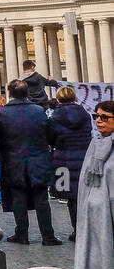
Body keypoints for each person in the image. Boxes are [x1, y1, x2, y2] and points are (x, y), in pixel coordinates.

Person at [0, 79, 63, 246]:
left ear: (9, 93)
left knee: (18, 198)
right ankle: (48, 235)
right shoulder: (39, 111)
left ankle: (21, 233)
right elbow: (52, 134)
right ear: (27, 93)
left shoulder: (2, 114)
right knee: (42, 199)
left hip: (13, 160)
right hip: (38, 159)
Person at [74, 101, 114, 269]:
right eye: (96, 116)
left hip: (108, 218)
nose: (99, 120)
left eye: (105, 117)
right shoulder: (95, 143)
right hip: (92, 219)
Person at [50, 86, 94, 241]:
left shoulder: (55, 116)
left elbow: (51, 138)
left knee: (69, 196)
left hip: (63, 159)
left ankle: (76, 230)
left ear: (59, 98)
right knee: (85, 195)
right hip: (83, 157)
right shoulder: (85, 114)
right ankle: (87, 228)